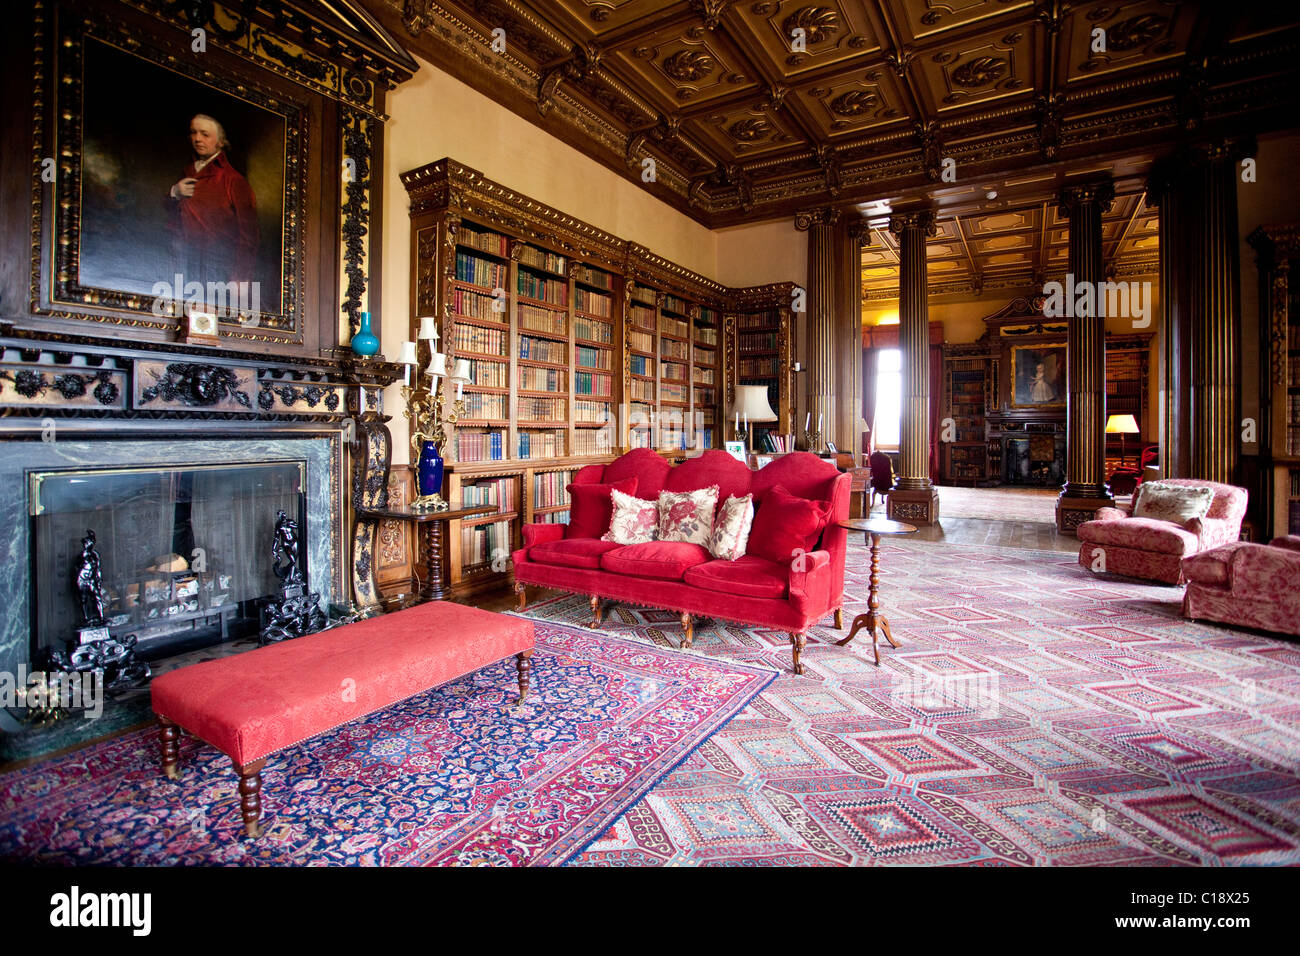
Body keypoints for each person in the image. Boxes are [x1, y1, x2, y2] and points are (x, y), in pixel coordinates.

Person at [167, 113, 258, 294]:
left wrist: (241, 275)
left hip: (216, 266)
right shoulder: (187, 172)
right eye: (194, 133)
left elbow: (249, 234)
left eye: (205, 134)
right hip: (182, 259)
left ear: (220, 142)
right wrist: (174, 192)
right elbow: (169, 213)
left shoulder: (233, 180)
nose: (198, 139)